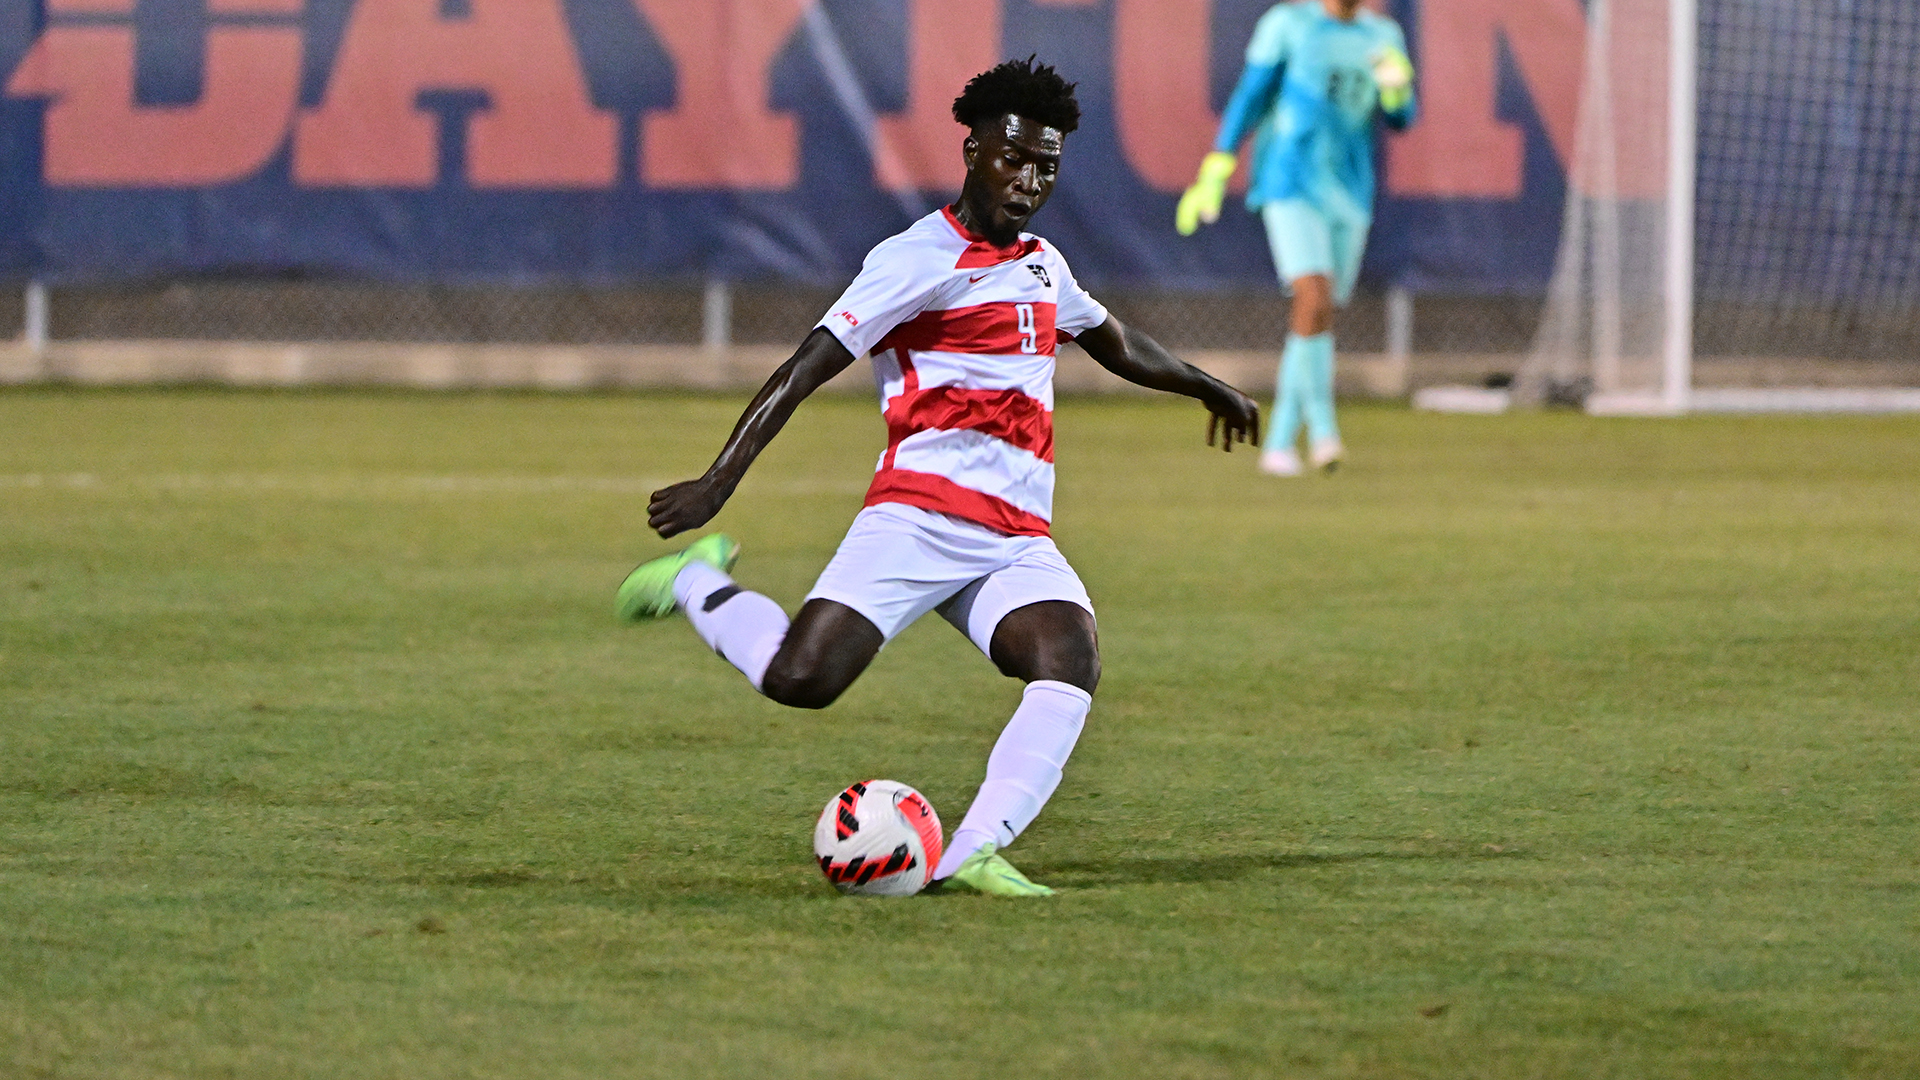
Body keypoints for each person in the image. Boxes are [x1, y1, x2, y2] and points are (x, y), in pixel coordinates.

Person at [618, 57, 1260, 897]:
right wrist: (717, 480)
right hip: (916, 519)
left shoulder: (1042, 265)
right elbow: (803, 368)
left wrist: (1204, 383)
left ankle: (976, 849)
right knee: (800, 682)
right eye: (1013, 158)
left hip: (1014, 538)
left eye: (1048, 167)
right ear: (972, 149)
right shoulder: (914, 259)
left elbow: (1113, 339)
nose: (1029, 180)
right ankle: (702, 586)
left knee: (1069, 659)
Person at [1177, 0, 1417, 476]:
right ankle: (1322, 432)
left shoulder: (1383, 35)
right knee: (1313, 294)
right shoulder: (1288, 24)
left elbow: (1401, 118)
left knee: (1320, 311)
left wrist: (1395, 88)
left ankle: (1282, 439)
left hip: (1349, 190)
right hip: (1289, 181)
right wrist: (1218, 165)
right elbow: (1251, 95)